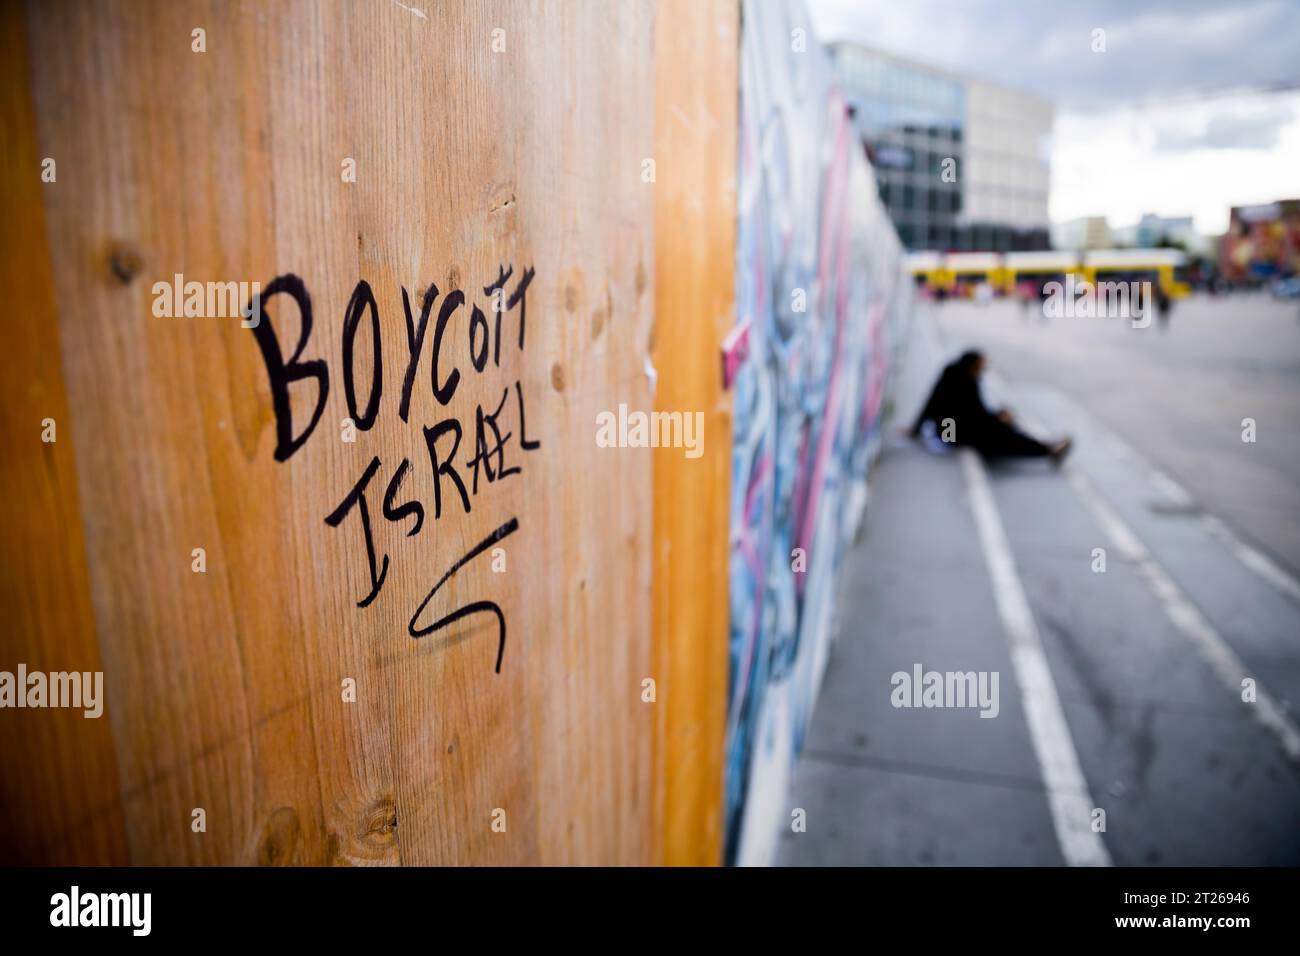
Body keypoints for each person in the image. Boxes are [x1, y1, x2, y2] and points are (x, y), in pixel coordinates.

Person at [910, 350, 1072, 463]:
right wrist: (998, 418)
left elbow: (972, 413)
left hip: (954, 428)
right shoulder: (962, 379)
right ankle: (1047, 449)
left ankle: (1046, 448)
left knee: (1002, 430)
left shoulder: (959, 374)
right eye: (981, 365)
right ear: (972, 364)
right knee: (1001, 434)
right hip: (950, 433)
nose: (983, 369)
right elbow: (937, 405)